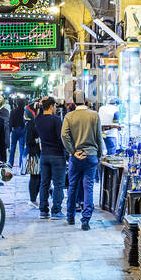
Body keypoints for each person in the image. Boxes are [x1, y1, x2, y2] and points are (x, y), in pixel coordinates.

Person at [61, 90, 105, 230]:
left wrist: (73, 152)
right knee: (88, 188)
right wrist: (99, 154)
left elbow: (64, 136)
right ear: (85, 100)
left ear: (73, 102)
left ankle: (70, 216)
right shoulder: (94, 115)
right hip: (91, 156)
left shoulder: (69, 116)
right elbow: (99, 137)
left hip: (76, 157)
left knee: (73, 187)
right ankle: (85, 220)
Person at [33, 96, 66, 220]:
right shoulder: (56, 120)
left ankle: (43, 211)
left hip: (44, 155)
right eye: (55, 106)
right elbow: (61, 138)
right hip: (57, 155)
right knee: (58, 184)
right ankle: (56, 211)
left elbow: (37, 111)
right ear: (52, 106)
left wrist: (41, 105)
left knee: (44, 183)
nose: (56, 108)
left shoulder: (38, 120)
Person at [23, 100, 41, 206]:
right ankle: (32, 199)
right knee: (34, 176)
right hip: (33, 154)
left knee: (37, 176)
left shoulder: (32, 122)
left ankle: (34, 198)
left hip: (36, 153)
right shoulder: (30, 124)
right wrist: (39, 140)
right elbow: (29, 140)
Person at [8, 96, 30, 167]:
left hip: (15, 130)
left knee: (13, 147)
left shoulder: (13, 111)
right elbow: (27, 121)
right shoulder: (25, 112)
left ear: (17, 104)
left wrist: (10, 130)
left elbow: (10, 122)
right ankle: (21, 164)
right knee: (21, 148)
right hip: (23, 130)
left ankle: (11, 163)